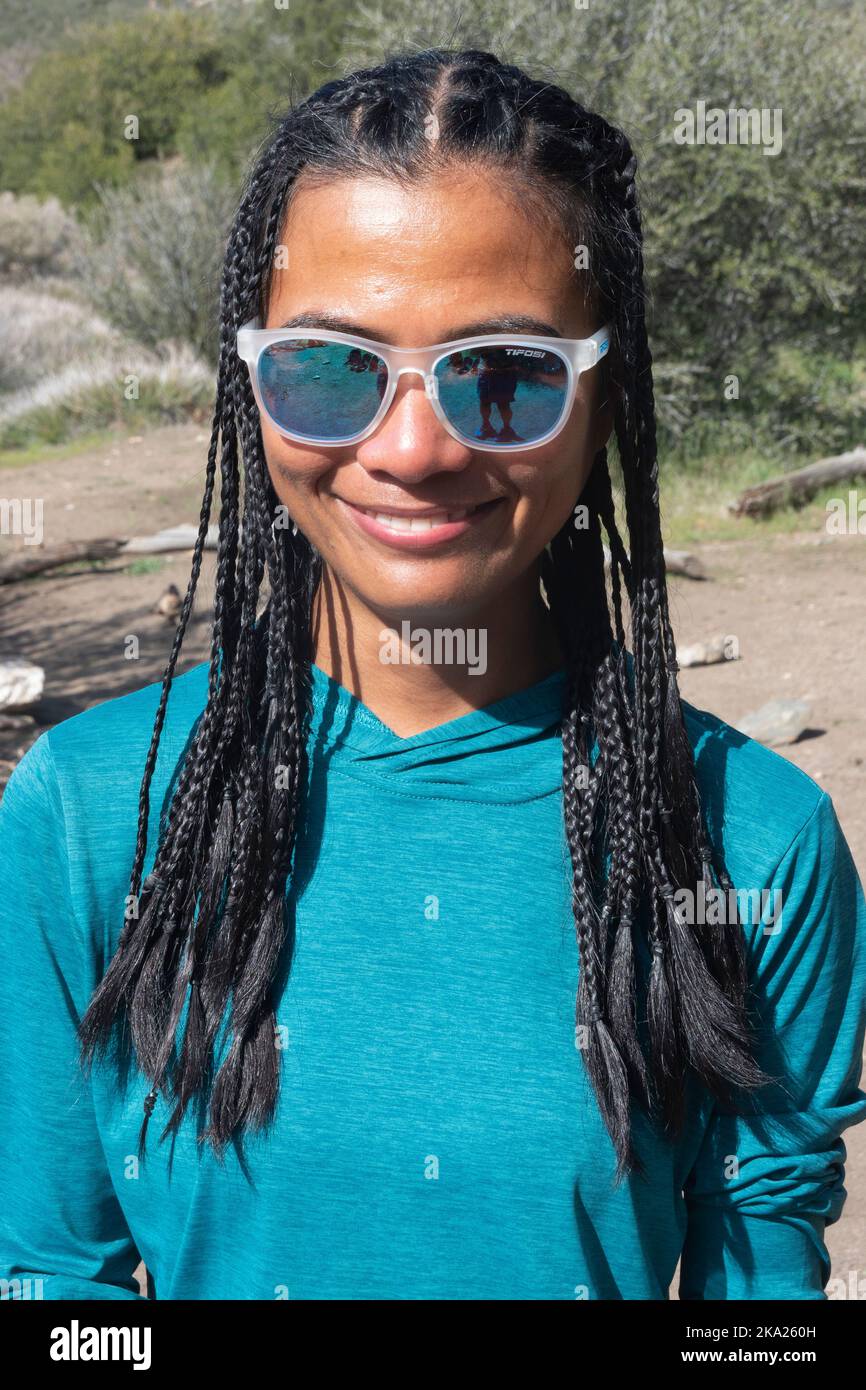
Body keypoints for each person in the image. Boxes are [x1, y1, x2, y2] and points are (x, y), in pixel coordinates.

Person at [0, 47, 864, 1302]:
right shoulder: (84, 817)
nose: (410, 449)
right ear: (250, 389)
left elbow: (755, 1308)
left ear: (603, 399)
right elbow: (51, 1288)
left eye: (505, 376)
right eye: (327, 368)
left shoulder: (748, 847)